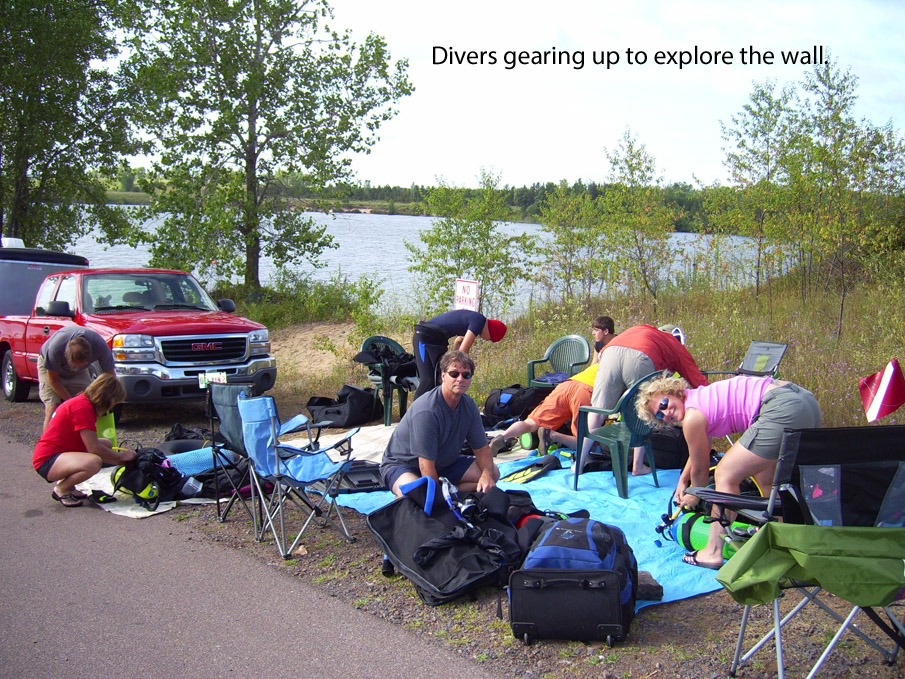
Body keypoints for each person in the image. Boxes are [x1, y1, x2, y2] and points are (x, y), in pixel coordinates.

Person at [636, 373, 822, 570]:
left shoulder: (692, 416)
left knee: (725, 473)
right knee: (766, 478)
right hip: (804, 401)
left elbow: (700, 469)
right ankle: (782, 539)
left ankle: (713, 550)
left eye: (663, 404)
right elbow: (699, 451)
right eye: (659, 415)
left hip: (780, 407)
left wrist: (694, 495)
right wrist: (683, 481)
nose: (665, 414)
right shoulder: (698, 401)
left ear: (673, 392)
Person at [583, 323, 709, 475]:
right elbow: (697, 379)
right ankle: (638, 465)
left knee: (597, 411)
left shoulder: (644, 328)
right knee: (644, 408)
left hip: (609, 351)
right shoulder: (675, 345)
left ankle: (580, 462)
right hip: (641, 355)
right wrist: (712, 399)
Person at [488, 315, 617, 456]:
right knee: (588, 443)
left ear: (606, 331)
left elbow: (592, 367)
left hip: (569, 383)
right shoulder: (618, 351)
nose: (593, 333)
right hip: (587, 388)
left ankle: (502, 437)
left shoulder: (613, 345)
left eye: (596, 330)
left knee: (531, 423)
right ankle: (553, 435)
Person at [380, 350, 500, 498]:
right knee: (418, 493)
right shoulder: (427, 410)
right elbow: (425, 465)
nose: (460, 379)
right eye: (454, 374)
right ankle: (446, 495)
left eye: (466, 375)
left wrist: (486, 476)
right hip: (405, 465)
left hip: (444, 463)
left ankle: (451, 490)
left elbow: (482, 450)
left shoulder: (469, 406)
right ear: (443, 376)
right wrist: (438, 500)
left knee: (493, 472)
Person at [32, 373, 137, 507]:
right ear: (109, 400)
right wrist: (121, 456)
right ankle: (62, 489)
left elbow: (93, 444)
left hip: (60, 452)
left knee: (106, 444)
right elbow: (93, 448)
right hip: (47, 460)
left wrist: (121, 461)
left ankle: (70, 486)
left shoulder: (84, 402)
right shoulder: (83, 409)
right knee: (94, 462)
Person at [412, 310, 506, 400]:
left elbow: (458, 347)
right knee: (427, 380)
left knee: (439, 378)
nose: (486, 340)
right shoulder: (479, 322)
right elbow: (462, 354)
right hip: (425, 336)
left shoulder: (476, 320)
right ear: (491, 331)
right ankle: (414, 414)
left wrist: (457, 347)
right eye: (490, 339)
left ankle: (435, 410)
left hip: (437, 340)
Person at [38, 326, 117, 431]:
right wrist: (71, 403)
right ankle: (48, 444)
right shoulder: (56, 348)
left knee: (88, 403)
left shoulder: (100, 347)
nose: (76, 368)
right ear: (67, 357)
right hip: (49, 369)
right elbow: (53, 380)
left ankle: (86, 441)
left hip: (80, 373)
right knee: (53, 406)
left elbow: (111, 378)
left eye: (80, 365)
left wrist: (105, 402)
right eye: (75, 365)